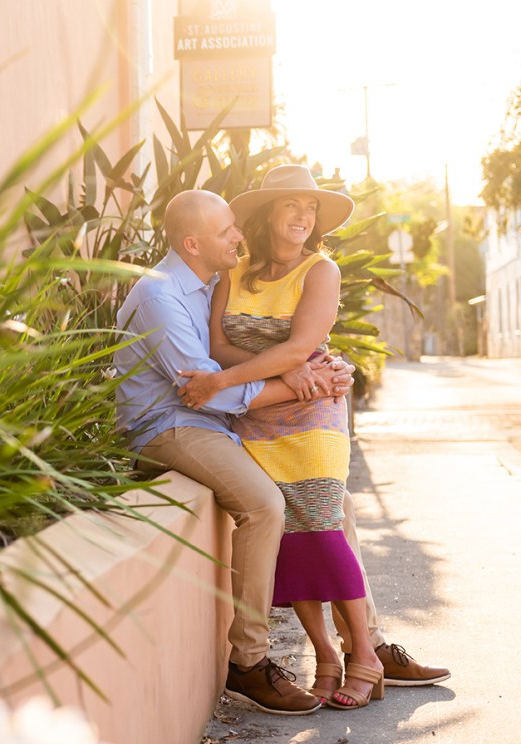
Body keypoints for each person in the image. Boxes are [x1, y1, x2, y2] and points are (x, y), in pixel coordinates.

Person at [113, 184, 448, 715]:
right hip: (171, 426)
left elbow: (241, 358)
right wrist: (303, 382)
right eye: (226, 231)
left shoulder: (209, 282)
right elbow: (205, 388)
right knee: (267, 506)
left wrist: (308, 368)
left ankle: (367, 646)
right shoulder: (162, 296)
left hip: (226, 422)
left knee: (335, 504)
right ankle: (248, 660)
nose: (237, 236)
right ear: (193, 243)